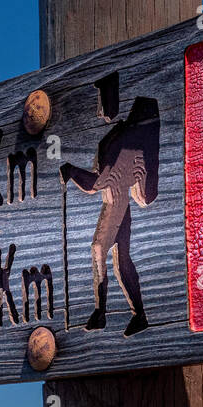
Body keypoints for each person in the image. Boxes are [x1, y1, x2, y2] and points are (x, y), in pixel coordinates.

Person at [59, 97, 160, 334]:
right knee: (117, 259)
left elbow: (98, 182)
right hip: (119, 204)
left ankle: (107, 313)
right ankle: (121, 313)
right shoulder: (123, 140)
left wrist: (71, 171)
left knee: (104, 253)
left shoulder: (124, 143)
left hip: (119, 205)